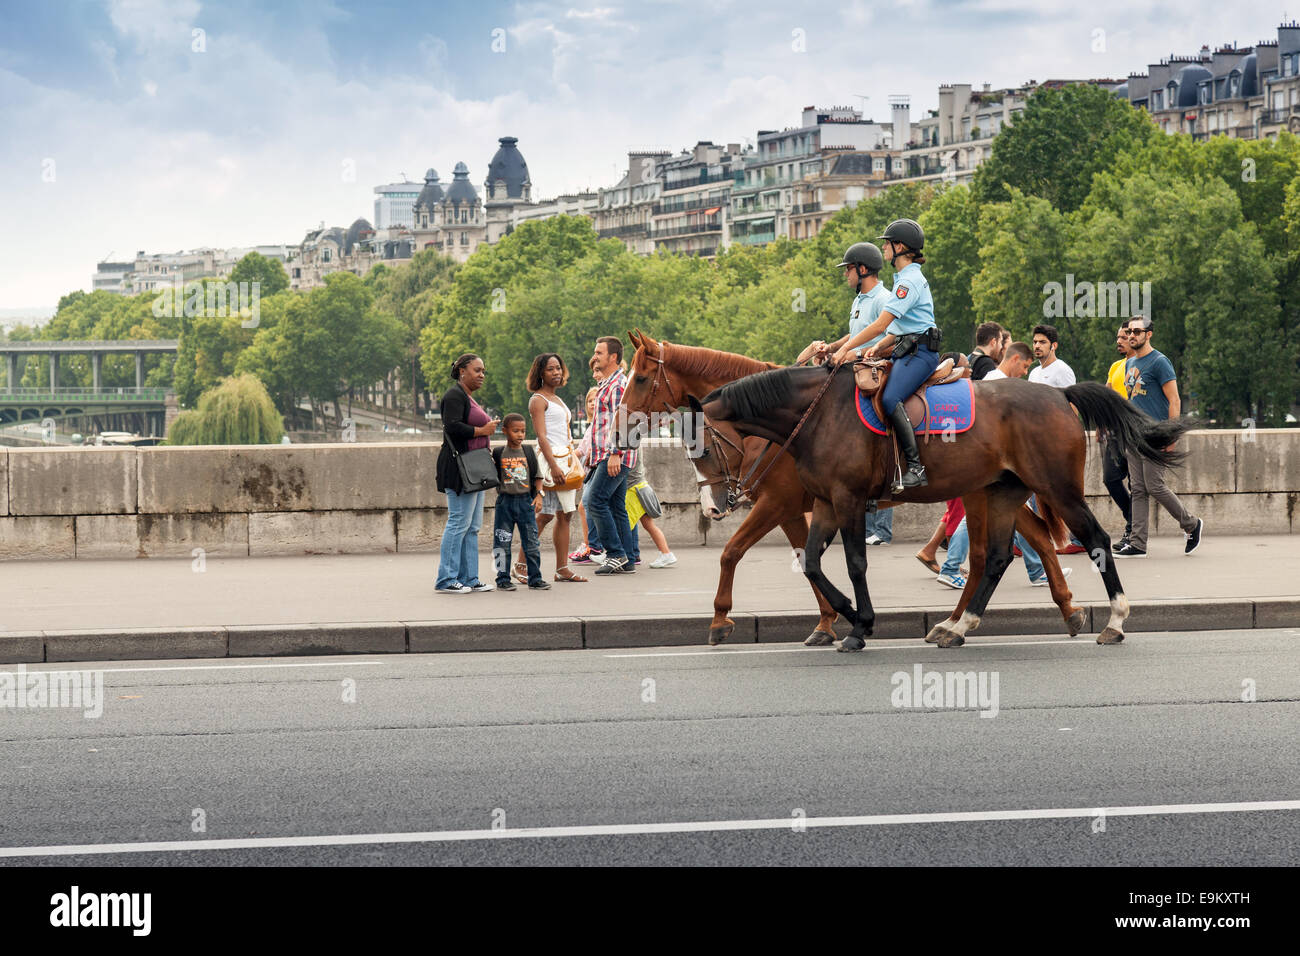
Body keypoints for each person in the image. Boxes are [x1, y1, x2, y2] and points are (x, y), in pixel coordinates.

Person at [833, 219, 941, 490]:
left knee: (891, 397)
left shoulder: (909, 281)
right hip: (908, 349)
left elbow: (880, 325)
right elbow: (896, 330)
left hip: (921, 353)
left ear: (900, 246)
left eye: (887, 243)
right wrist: (877, 347)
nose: (883, 247)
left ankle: (916, 467)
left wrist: (846, 349)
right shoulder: (904, 279)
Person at [1115, 316, 1203, 558]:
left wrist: (1170, 435)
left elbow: (1174, 400)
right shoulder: (1131, 362)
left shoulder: (1160, 362)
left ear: (1149, 334)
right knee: (1138, 489)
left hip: (1155, 434)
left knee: (1154, 485)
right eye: (1129, 331)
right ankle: (1138, 544)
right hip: (1134, 435)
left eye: (1137, 331)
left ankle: (1191, 524)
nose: (1131, 335)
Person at [435, 353, 500, 594]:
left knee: (471, 526)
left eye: (483, 371)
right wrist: (483, 429)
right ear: (462, 371)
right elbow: (452, 427)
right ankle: (446, 579)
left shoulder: (467, 397)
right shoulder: (454, 395)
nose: (482, 375)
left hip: (474, 469)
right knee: (458, 523)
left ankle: (469, 577)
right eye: (477, 370)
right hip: (460, 469)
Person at [526, 353, 587, 583]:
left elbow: (565, 434)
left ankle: (562, 568)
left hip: (565, 460)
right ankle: (520, 565)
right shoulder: (538, 400)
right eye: (551, 369)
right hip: (551, 462)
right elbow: (542, 437)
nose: (557, 372)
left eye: (559, 368)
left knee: (566, 514)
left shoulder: (557, 399)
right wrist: (552, 467)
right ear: (540, 373)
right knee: (544, 516)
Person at [587, 336, 640, 574]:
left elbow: (625, 420)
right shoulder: (609, 383)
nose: (595, 356)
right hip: (607, 455)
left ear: (613, 357)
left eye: (599, 353)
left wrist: (615, 453)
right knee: (616, 506)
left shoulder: (618, 385)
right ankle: (627, 558)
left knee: (595, 501)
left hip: (615, 456)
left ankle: (615, 554)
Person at [491, 414, 550, 591]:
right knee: (501, 543)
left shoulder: (529, 451)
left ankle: (535, 577)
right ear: (505, 431)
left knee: (531, 542)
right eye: (516, 431)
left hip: (526, 502)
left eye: (523, 431)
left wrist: (538, 495)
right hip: (505, 502)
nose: (520, 435)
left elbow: (538, 477)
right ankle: (502, 578)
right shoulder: (499, 452)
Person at [1102, 325, 1135, 551]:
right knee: (1110, 478)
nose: (1120, 341)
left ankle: (1133, 530)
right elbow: (1107, 396)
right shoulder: (1116, 366)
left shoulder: (1145, 364)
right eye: (1118, 337)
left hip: (1134, 432)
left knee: (1138, 485)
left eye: (1124, 337)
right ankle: (1131, 520)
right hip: (1114, 432)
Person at [1028, 324, 1076, 388]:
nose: (1037, 346)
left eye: (1042, 342)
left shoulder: (1063, 370)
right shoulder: (1033, 373)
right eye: (1035, 342)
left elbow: (1071, 397)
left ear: (1054, 346)